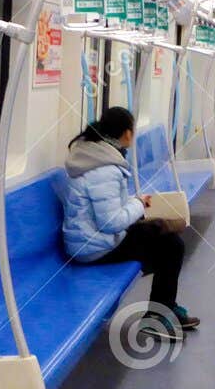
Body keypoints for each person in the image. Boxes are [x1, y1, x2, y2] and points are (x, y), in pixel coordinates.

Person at [62, 106, 198, 339]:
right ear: (126, 134)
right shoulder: (104, 169)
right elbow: (111, 223)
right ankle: (158, 315)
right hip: (95, 246)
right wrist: (139, 205)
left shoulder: (96, 157)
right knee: (171, 246)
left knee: (167, 242)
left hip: (92, 239)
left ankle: (163, 308)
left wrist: (135, 204)